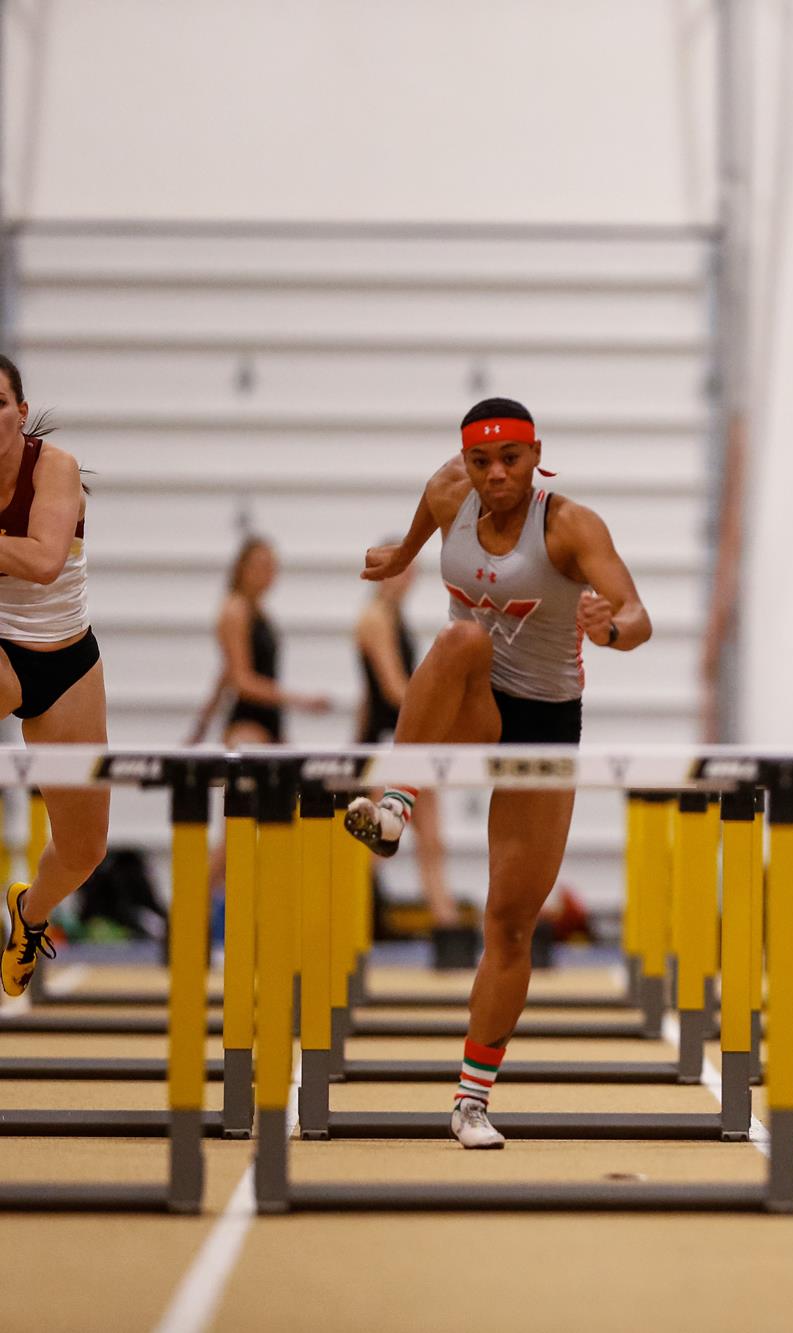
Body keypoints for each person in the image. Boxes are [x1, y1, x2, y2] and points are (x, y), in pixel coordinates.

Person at [341, 397, 652, 1148]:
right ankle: (394, 804)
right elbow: (421, 526)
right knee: (460, 641)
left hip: (545, 724)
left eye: (510, 459)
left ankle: (471, 1099)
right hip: (476, 704)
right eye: (481, 462)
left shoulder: (569, 525)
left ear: (535, 455)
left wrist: (609, 628)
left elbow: (639, 616)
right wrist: (402, 556)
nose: (495, 475)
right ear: (464, 463)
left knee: (510, 924)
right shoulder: (448, 490)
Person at [0, 354, 111, 996]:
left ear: (19, 412)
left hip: (67, 663)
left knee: (84, 849)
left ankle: (29, 911)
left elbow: (44, 563)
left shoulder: (55, 468)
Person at [355, 556, 453, 926]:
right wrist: (443, 715)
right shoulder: (375, 618)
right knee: (378, 839)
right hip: (389, 741)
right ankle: (343, 918)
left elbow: (371, 698)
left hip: (405, 738)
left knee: (431, 839)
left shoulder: (396, 619)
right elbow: (392, 688)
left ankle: (445, 923)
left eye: (411, 572)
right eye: (402, 572)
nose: (407, 580)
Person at [190, 537, 332, 747]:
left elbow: (227, 672)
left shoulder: (258, 611)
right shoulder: (235, 610)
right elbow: (241, 680)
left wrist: (203, 722)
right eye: (262, 566)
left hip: (270, 717)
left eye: (272, 567)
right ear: (242, 568)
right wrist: (300, 700)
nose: (268, 574)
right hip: (248, 720)